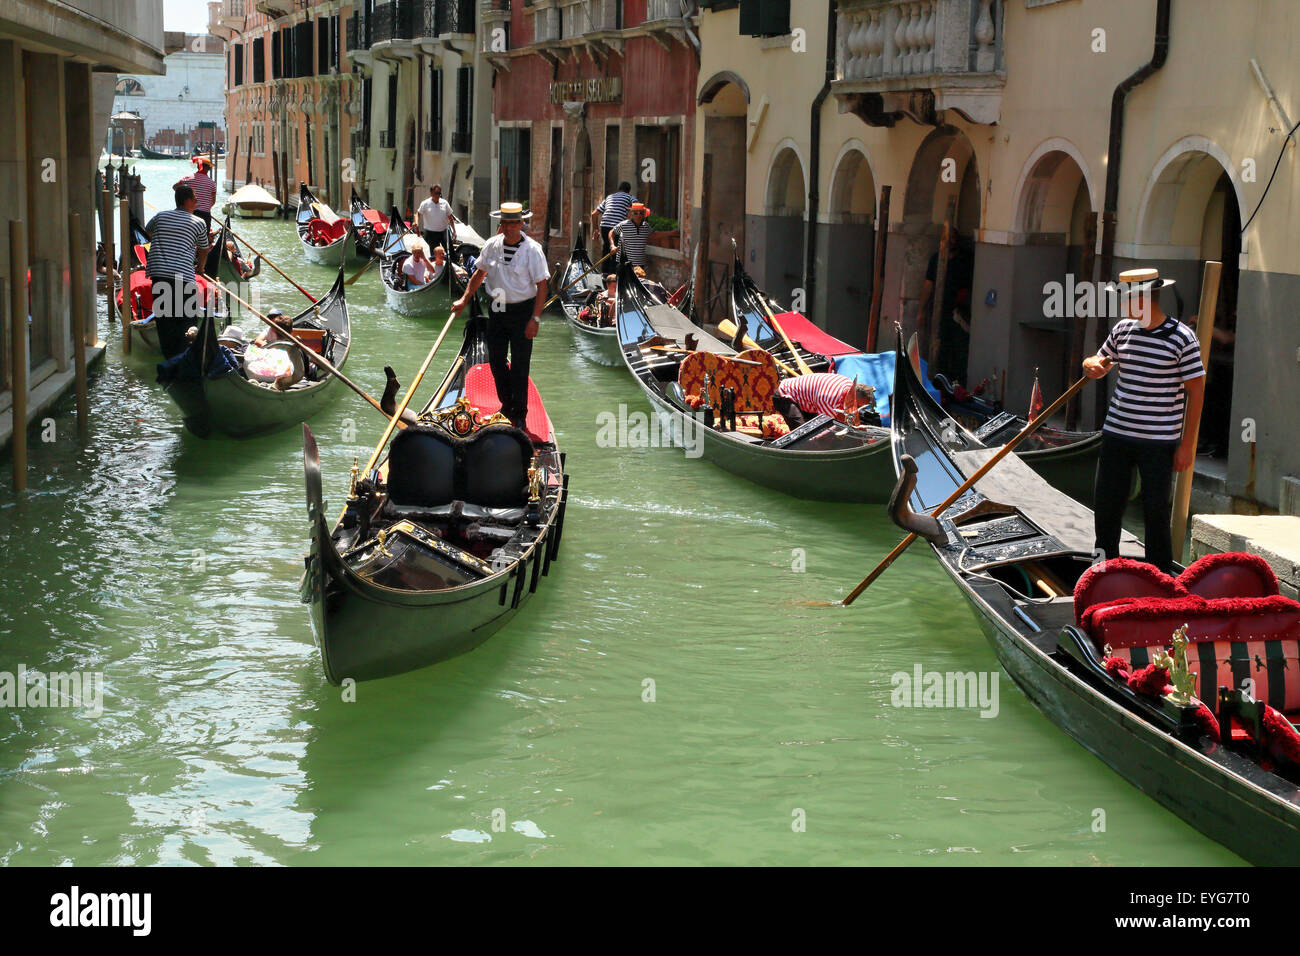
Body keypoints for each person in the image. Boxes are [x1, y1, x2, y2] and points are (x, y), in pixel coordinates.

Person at [1085, 268, 1205, 573]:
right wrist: (1093, 364)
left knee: (1155, 514)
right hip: (1116, 435)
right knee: (1106, 509)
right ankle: (1102, 570)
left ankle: (1161, 579)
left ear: (1140, 298)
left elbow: (1197, 392)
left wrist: (1187, 446)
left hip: (1159, 442)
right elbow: (1097, 360)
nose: (1122, 306)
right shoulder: (1123, 329)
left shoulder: (1182, 338)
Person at [451, 202, 549, 428]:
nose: (509, 227)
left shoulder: (532, 250)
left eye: (513, 223)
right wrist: (464, 299)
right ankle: (507, 404)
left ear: (521, 223)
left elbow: (542, 285)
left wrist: (535, 319)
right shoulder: (492, 245)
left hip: (523, 310)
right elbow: (479, 273)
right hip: (497, 308)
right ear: (501, 224)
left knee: (520, 365)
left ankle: (520, 413)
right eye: (505, 223)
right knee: (495, 361)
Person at [144, 184, 210, 357]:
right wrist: (201, 267)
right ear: (188, 201)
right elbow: (204, 248)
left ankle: (170, 357)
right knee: (189, 318)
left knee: (165, 320)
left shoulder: (160, 216)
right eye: (195, 200)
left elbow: (148, 231)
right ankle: (186, 354)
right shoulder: (199, 222)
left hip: (159, 275)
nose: (196, 203)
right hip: (183, 277)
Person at [915, 227, 974, 383]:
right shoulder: (936, 259)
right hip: (938, 312)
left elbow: (968, 288)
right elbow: (928, 285)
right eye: (948, 239)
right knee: (939, 348)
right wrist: (921, 311)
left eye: (954, 238)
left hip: (957, 314)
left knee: (957, 349)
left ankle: (956, 383)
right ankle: (938, 381)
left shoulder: (964, 259)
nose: (951, 242)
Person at [773, 373, 876, 429]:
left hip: (810, 399)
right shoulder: (829, 400)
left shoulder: (848, 385)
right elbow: (824, 427)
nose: (857, 409)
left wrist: (858, 427)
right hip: (785, 395)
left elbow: (848, 417)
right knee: (802, 431)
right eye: (857, 406)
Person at [592, 182, 636, 260]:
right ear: (628, 191)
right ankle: (613, 271)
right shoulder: (629, 197)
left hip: (604, 226)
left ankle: (605, 271)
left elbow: (594, 214)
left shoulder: (609, 197)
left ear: (618, 189)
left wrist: (596, 230)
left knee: (606, 248)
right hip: (616, 226)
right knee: (616, 251)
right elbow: (637, 205)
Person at [174, 156, 217, 228]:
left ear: (198, 166)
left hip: (188, 213)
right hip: (205, 214)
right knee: (203, 237)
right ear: (208, 168)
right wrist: (204, 207)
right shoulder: (212, 183)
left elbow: (175, 187)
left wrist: (185, 197)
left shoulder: (188, 178)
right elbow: (213, 202)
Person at [610, 203, 655, 271]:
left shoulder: (646, 226)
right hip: (624, 262)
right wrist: (612, 245)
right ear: (631, 214)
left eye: (641, 213)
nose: (638, 215)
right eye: (636, 213)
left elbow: (654, 235)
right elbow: (611, 232)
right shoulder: (624, 225)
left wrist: (672, 233)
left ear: (644, 214)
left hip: (639, 264)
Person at [416, 185, 456, 254]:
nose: (438, 195)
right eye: (436, 193)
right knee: (434, 254)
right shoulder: (425, 203)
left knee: (451, 252)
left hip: (444, 231)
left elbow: (450, 217)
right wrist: (416, 224)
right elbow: (417, 214)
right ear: (431, 193)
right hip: (431, 233)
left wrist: (454, 231)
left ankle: (453, 263)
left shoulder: (445, 203)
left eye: (439, 193)